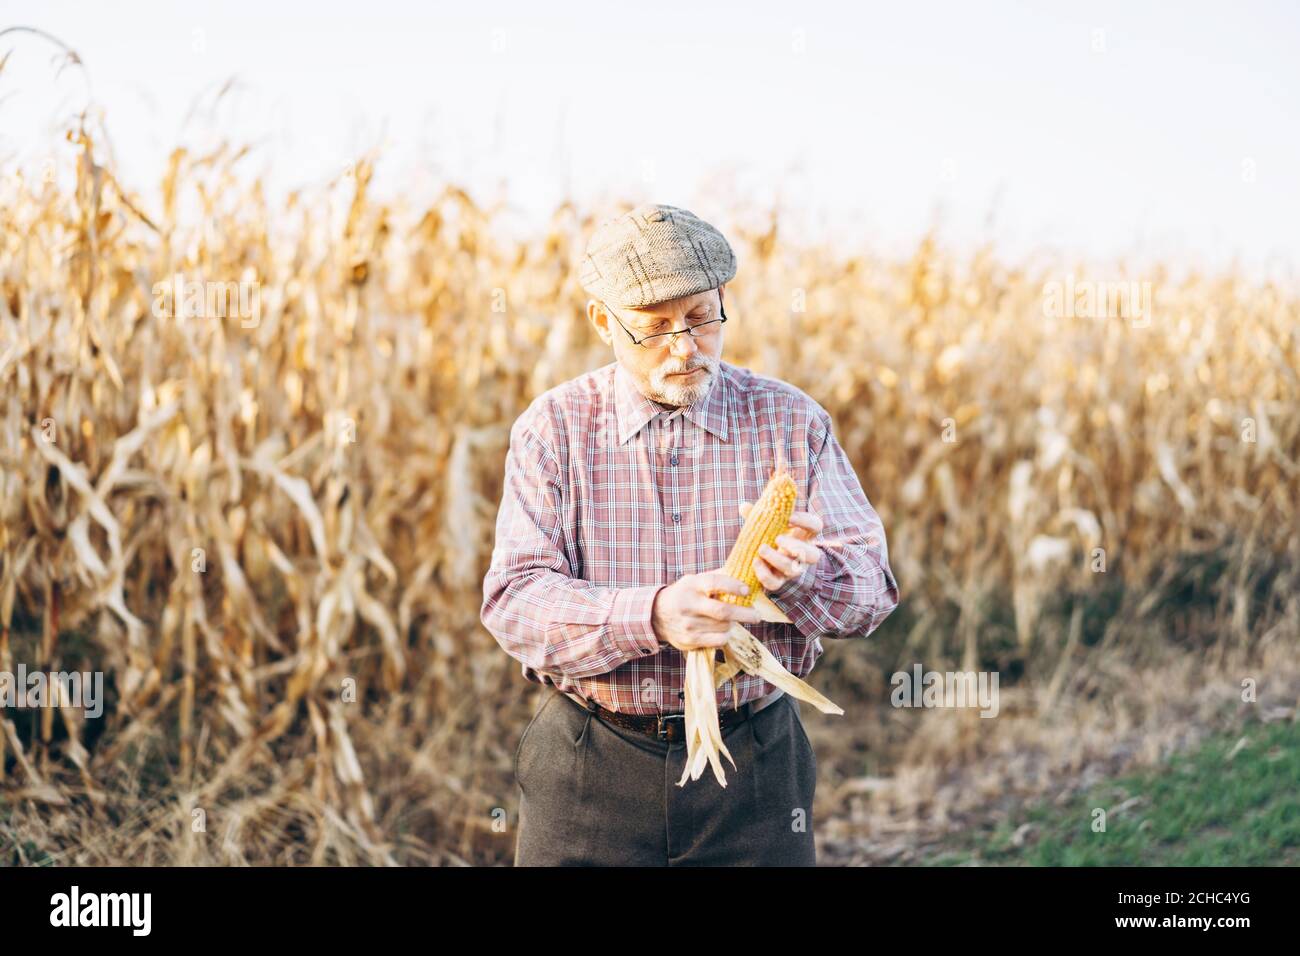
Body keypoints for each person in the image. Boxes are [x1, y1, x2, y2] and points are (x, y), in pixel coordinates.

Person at [480, 202, 900, 865]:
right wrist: (651, 615)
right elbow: (515, 602)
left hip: (755, 770)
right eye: (654, 328)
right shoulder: (553, 430)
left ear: (723, 300)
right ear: (603, 322)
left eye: (702, 319)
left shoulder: (792, 422)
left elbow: (873, 593)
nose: (684, 347)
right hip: (589, 766)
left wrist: (808, 577)